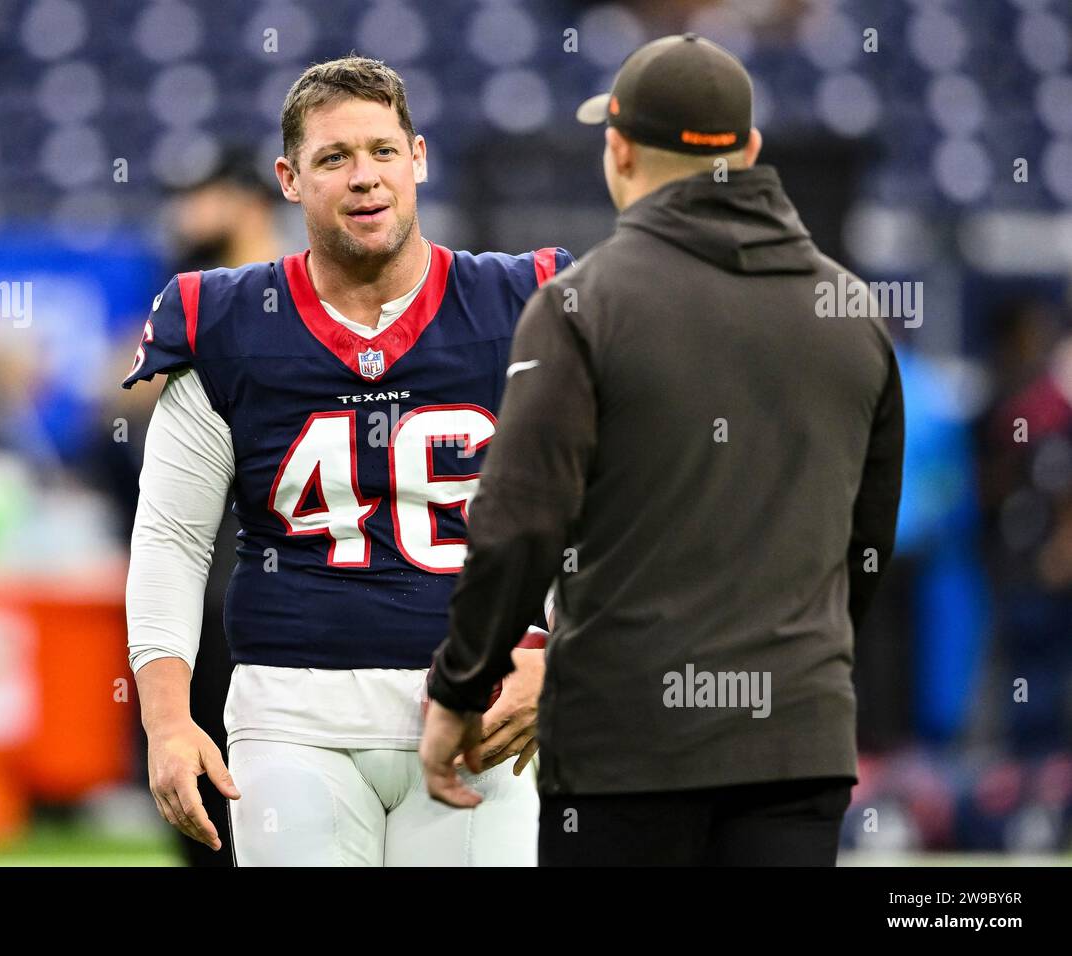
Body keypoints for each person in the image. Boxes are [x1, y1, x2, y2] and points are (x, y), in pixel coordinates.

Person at [420, 34, 904, 867]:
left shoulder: (581, 306)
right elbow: (865, 548)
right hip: (797, 744)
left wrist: (462, 686)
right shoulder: (854, 312)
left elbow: (519, 524)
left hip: (626, 749)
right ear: (749, 153)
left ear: (618, 150)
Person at [122, 55, 571, 866]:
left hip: (481, 701)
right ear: (290, 178)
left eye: (382, 151)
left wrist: (563, 654)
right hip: (292, 713)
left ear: (419, 158)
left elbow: (605, 506)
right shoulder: (224, 321)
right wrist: (165, 719)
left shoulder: (523, 303)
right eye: (335, 158)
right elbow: (171, 540)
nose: (365, 177)